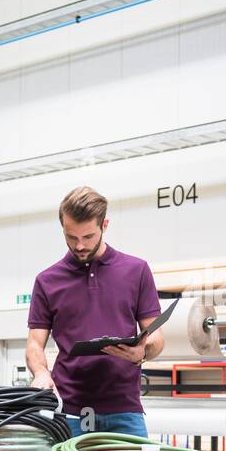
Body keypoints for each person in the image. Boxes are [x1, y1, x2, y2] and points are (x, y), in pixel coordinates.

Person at [25, 186, 163, 438]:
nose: (79, 245)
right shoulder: (47, 281)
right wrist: (41, 372)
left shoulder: (136, 271)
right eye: (71, 237)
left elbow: (156, 337)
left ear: (105, 225)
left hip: (124, 410)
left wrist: (141, 352)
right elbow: (35, 344)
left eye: (88, 237)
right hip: (70, 411)